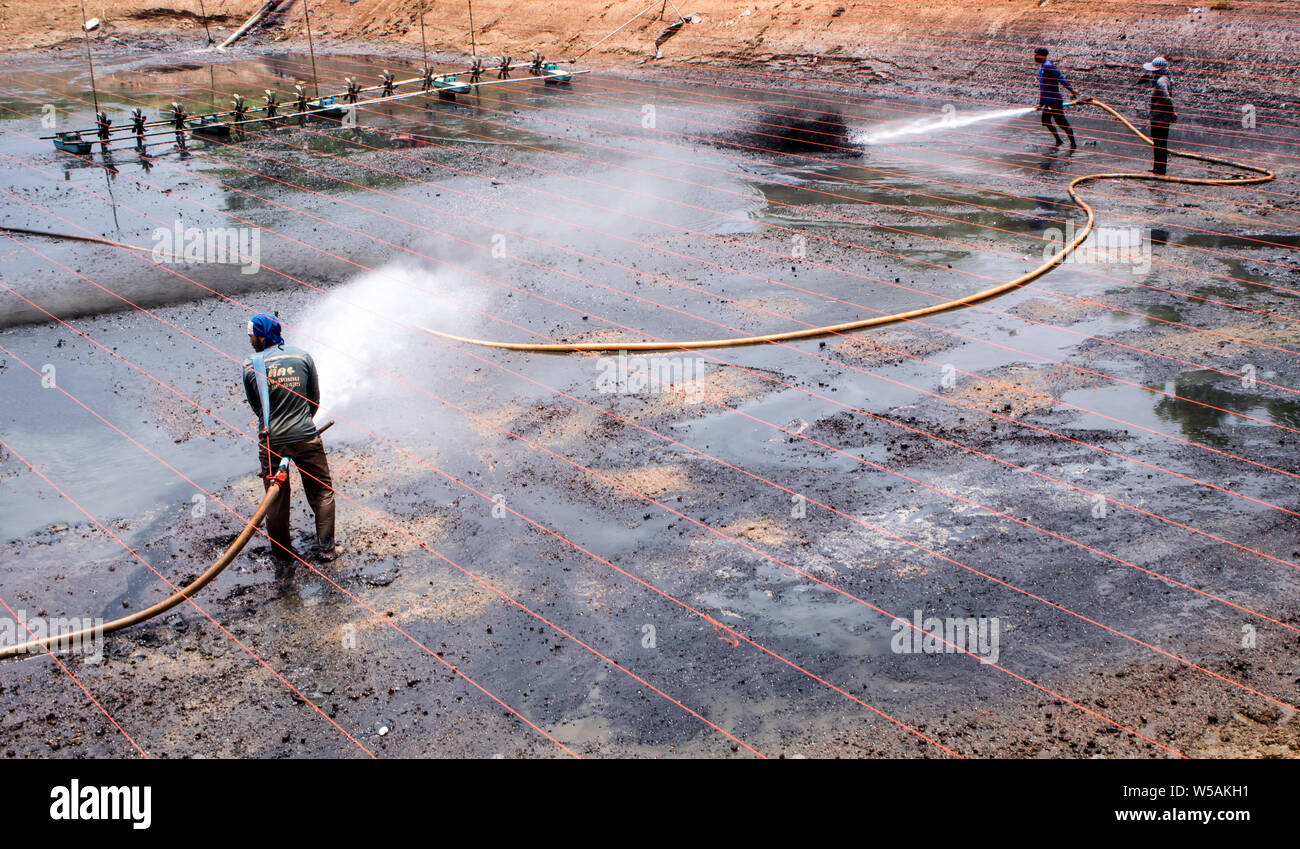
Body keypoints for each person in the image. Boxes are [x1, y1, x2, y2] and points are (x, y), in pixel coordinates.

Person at [242, 313, 340, 567]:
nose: (250, 339)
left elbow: (259, 409)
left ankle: (282, 554)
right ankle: (327, 549)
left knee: (274, 498)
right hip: (306, 437)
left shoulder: (250, 366)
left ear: (262, 335)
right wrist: (301, 424)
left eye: (252, 334)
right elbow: (314, 399)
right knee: (322, 491)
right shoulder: (302, 357)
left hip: (271, 441)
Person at [1033, 47, 1080, 148]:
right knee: (1045, 121)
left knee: (1062, 123)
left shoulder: (1048, 66)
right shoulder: (1042, 68)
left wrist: (1072, 90)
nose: (1035, 57)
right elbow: (1043, 88)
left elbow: (1060, 78)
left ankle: (1073, 145)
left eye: (1037, 55)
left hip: (1055, 101)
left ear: (1043, 55)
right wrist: (1041, 104)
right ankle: (1059, 141)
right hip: (1048, 102)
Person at [1143, 56, 1176, 175]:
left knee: (1159, 143)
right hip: (1161, 118)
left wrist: (1173, 113)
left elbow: (1167, 98)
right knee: (1159, 143)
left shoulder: (1161, 82)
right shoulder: (1165, 80)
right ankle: (1158, 167)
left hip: (1160, 119)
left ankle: (1160, 169)